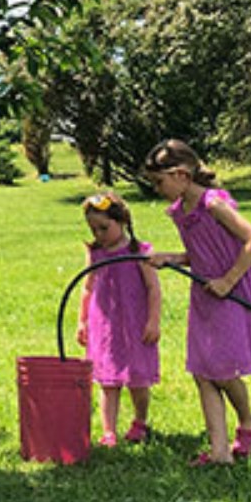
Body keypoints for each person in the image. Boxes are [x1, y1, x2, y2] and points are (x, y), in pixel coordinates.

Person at [144, 139, 251, 466]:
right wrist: (173, 258)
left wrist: (228, 281)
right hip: (205, 296)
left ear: (181, 174)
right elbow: (202, 253)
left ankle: (247, 425)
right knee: (203, 372)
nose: (157, 190)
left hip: (232, 292)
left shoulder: (213, 204)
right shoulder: (180, 213)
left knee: (224, 370)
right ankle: (220, 452)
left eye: (159, 182)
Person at [76, 191, 162, 447]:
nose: (99, 234)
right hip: (105, 326)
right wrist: (82, 321)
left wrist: (153, 321)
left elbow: (153, 288)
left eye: (104, 228)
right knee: (107, 380)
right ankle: (109, 431)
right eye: (93, 229)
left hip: (135, 324)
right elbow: (87, 288)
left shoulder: (139, 252)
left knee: (138, 379)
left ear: (122, 221)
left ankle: (140, 421)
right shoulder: (96, 253)